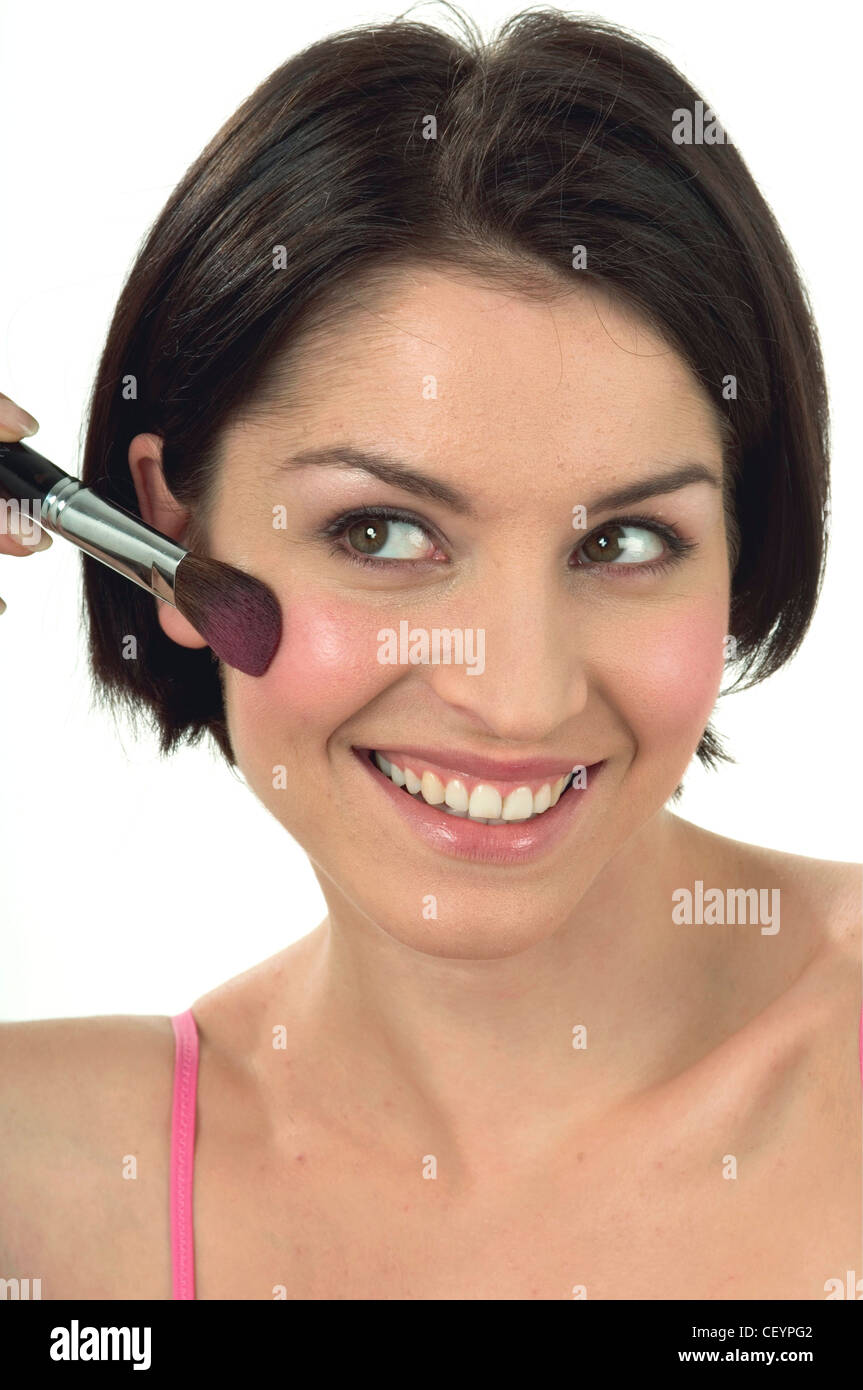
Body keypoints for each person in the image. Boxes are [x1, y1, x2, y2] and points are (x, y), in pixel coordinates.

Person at [1, 7, 860, 1300]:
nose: (516, 694)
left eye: (625, 540)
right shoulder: (43, 1187)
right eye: (382, 529)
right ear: (167, 535)